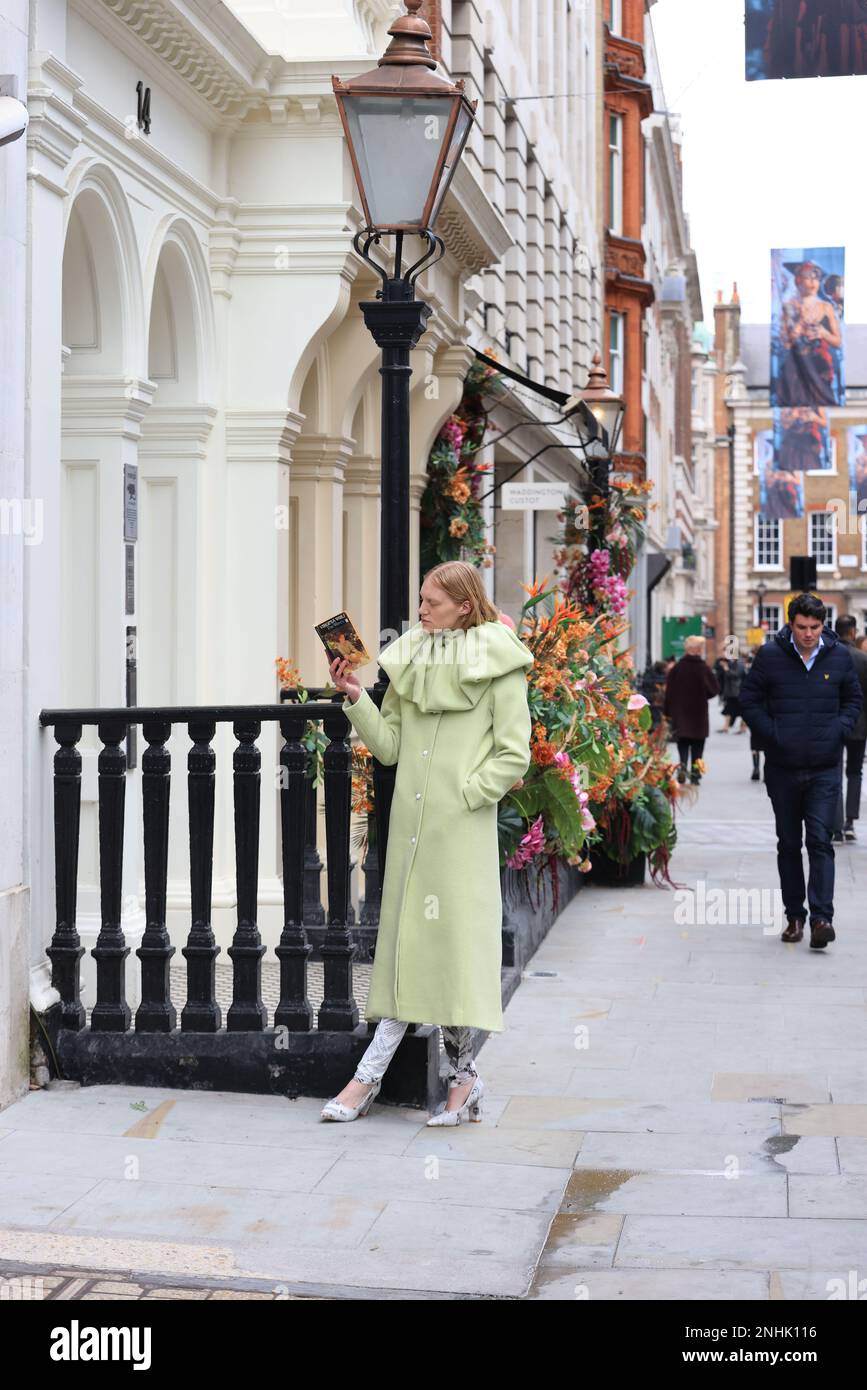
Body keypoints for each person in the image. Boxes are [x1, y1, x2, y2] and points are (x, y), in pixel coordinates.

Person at [321, 560, 534, 1124]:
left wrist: (465, 794)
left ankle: (373, 1080)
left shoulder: (500, 661)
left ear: (464, 606)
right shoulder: (411, 653)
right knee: (408, 948)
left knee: (452, 953)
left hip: (459, 832)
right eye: (419, 599)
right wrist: (353, 694)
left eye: (431, 603)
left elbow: (514, 753)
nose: (420, 611)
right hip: (412, 830)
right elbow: (389, 745)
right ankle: (459, 1080)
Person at [740, 593, 863, 949]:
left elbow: (853, 699)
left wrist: (838, 729)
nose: (809, 634)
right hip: (783, 767)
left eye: (815, 627)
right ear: (790, 624)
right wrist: (773, 734)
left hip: (825, 767)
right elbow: (749, 699)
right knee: (790, 844)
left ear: (822, 625)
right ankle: (795, 916)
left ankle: (822, 919)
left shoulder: (838, 656)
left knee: (821, 842)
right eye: (802, 627)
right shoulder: (770, 656)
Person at [775, 260, 842, 408]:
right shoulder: (789, 307)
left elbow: (838, 342)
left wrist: (824, 333)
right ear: (799, 280)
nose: (813, 282)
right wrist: (800, 325)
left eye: (816, 278)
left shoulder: (826, 307)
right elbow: (784, 343)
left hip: (820, 367)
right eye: (808, 277)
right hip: (796, 368)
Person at [663, 635, 719, 784]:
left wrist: (667, 712)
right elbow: (714, 689)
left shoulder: (677, 668)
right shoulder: (703, 668)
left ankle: (682, 766)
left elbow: (668, 692)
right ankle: (695, 773)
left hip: (680, 713)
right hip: (698, 712)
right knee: (698, 744)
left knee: (683, 742)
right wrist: (703, 694)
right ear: (698, 650)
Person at [831, 615, 867, 841]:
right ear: (853, 632)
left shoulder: (828, 657)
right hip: (859, 724)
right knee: (854, 772)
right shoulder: (863, 659)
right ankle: (850, 823)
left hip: (832, 724)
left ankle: (835, 826)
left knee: (833, 773)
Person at [719, 654, 747, 732]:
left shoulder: (740, 664)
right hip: (731, 692)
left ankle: (743, 727)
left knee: (742, 710)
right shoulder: (730, 663)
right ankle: (726, 727)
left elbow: (736, 675)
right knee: (728, 709)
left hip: (737, 692)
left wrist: (726, 669)